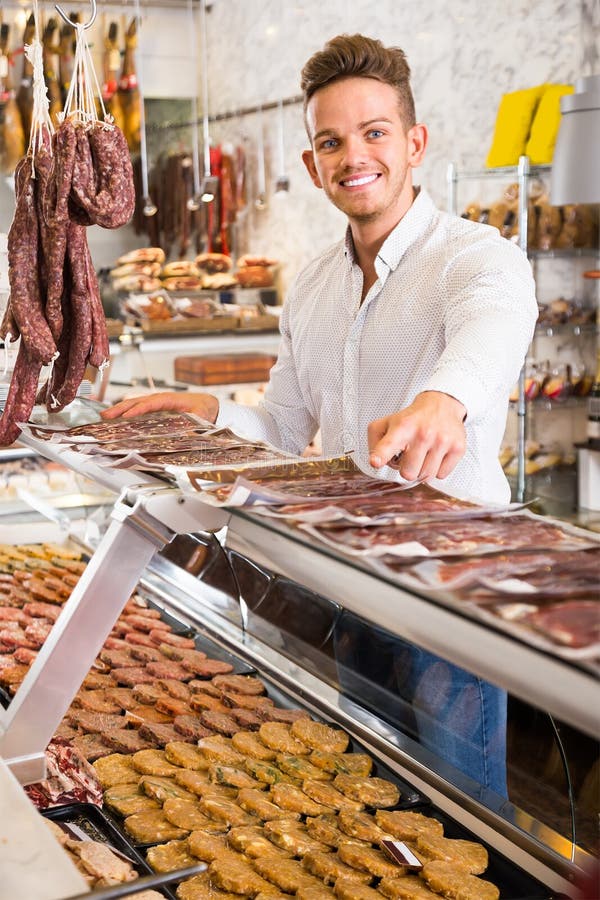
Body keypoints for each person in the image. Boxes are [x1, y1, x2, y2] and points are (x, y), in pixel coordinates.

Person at [103, 35, 538, 795]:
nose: (353, 156)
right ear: (312, 164)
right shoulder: (309, 288)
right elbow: (281, 427)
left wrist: (445, 400)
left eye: (374, 133)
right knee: (369, 792)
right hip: (347, 583)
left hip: (447, 594)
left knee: (463, 808)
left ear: (415, 143)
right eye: (331, 142)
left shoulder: (476, 256)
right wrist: (207, 414)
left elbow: (494, 323)